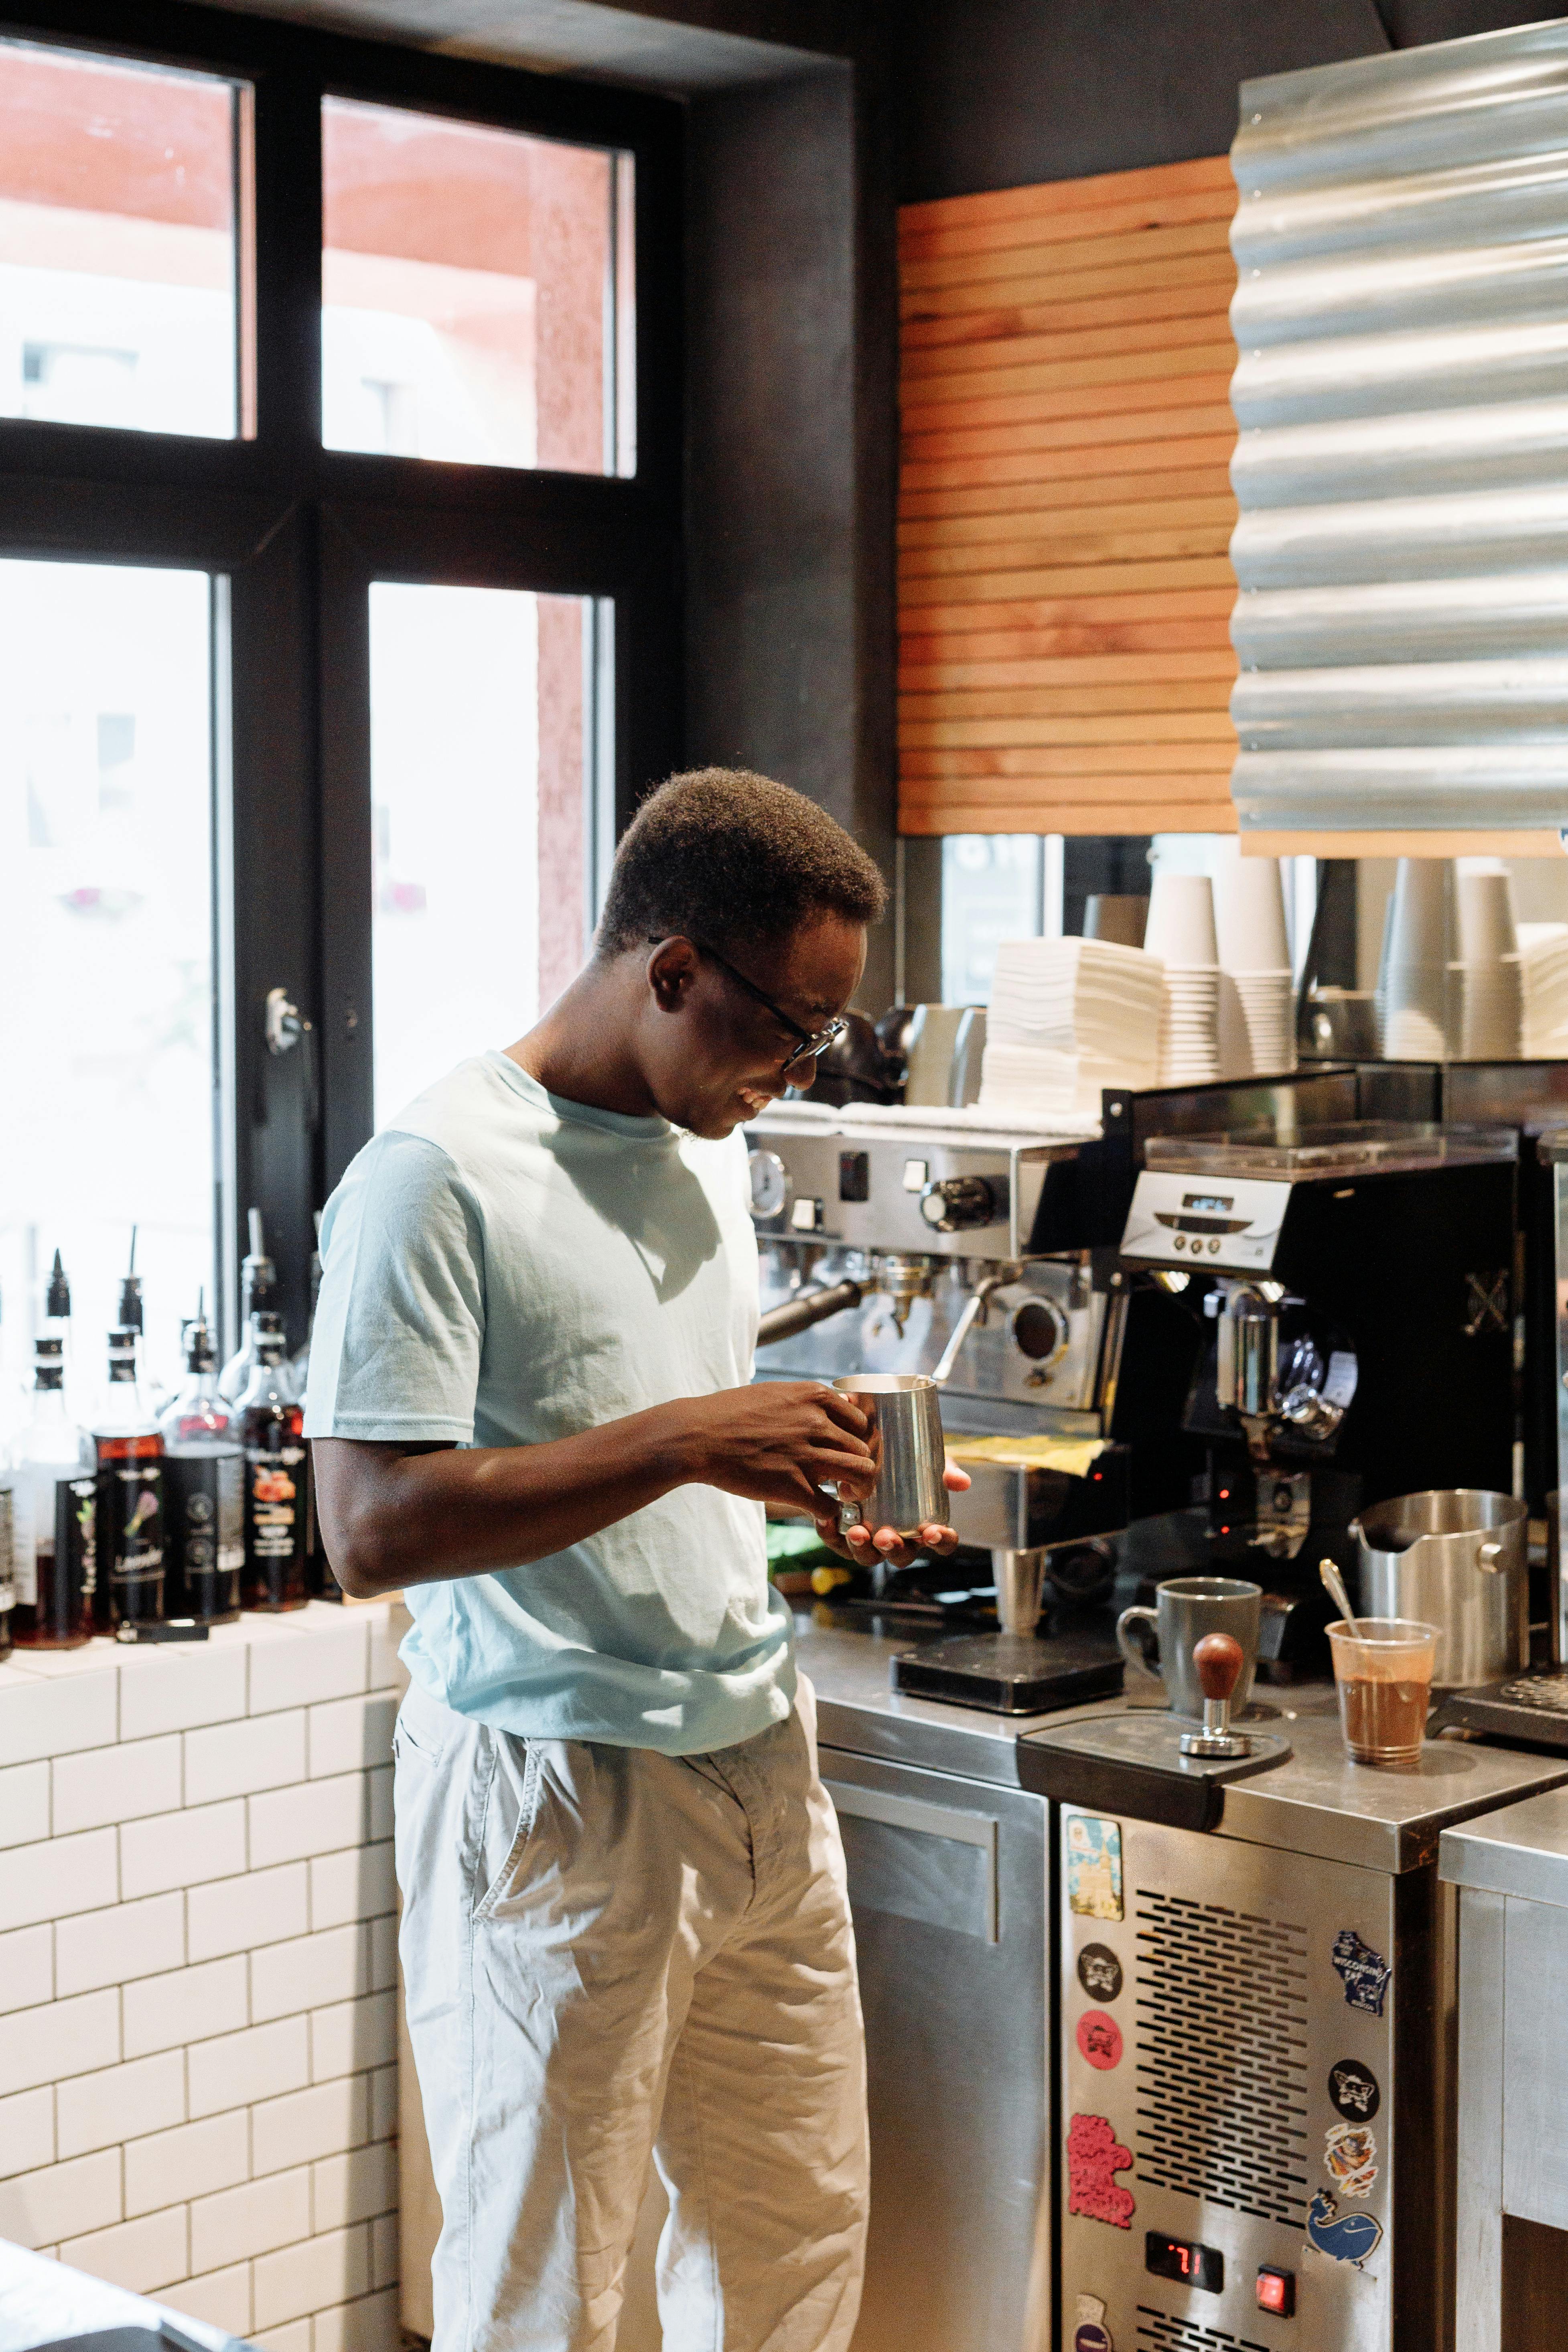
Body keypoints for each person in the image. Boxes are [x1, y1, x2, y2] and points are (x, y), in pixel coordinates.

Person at [305, 767, 968, 2352]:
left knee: (790, 2258)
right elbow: (367, 1530)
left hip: (756, 1769)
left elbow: (644, 1443)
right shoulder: (436, 1171)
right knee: (550, 2298)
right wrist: (685, 1438)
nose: (798, 1071)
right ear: (669, 969)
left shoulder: (704, 1139)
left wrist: (779, 1485)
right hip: (555, 1795)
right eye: (789, 1026)